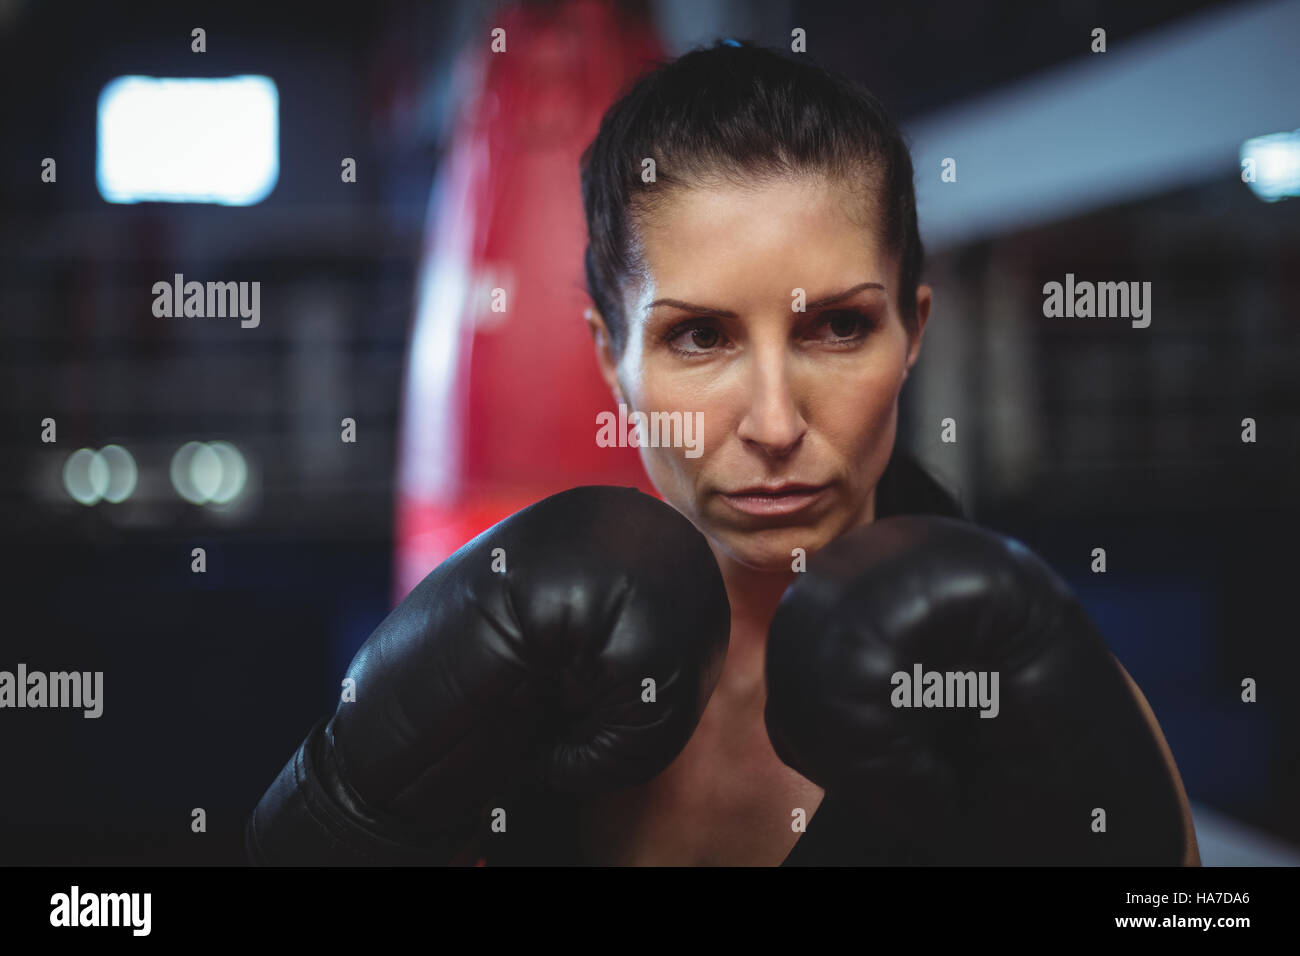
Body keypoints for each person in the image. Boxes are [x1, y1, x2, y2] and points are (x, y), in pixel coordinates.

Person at [245, 39, 1199, 867]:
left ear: (913, 330)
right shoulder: (516, 661)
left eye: (836, 326)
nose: (775, 423)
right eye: (699, 337)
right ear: (609, 357)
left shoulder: (1020, 682)